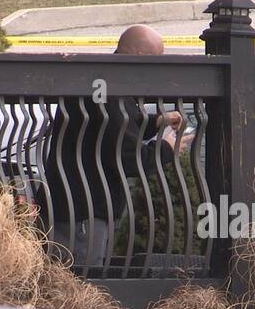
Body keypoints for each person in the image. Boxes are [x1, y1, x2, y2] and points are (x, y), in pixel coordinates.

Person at [41, 25, 194, 266]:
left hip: (71, 205)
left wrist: (156, 122)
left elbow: (113, 131)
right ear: (141, 58)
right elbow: (128, 159)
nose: (158, 70)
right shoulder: (112, 91)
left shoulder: (102, 81)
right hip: (83, 211)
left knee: (67, 286)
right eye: (157, 61)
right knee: (81, 287)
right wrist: (165, 148)